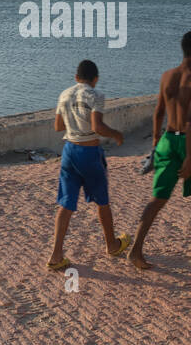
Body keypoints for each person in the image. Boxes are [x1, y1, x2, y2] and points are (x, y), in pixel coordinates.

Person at [128, 31, 191, 270]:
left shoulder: (167, 76)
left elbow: (158, 112)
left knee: (158, 198)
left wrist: (155, 146)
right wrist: (190, 157)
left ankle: (136, 250)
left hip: (166, 140)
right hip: (189, 142)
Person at [47, 59, 131, 271]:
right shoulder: (96, 95)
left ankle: (56, 255)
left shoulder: (64, 94)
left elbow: (58, 126)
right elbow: (97, 126)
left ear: (76, 78)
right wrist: (116, 134)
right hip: (90, 153)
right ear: (95, 79)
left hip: (69, 152)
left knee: (66, 205)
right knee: (102, 202)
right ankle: (112, 244)